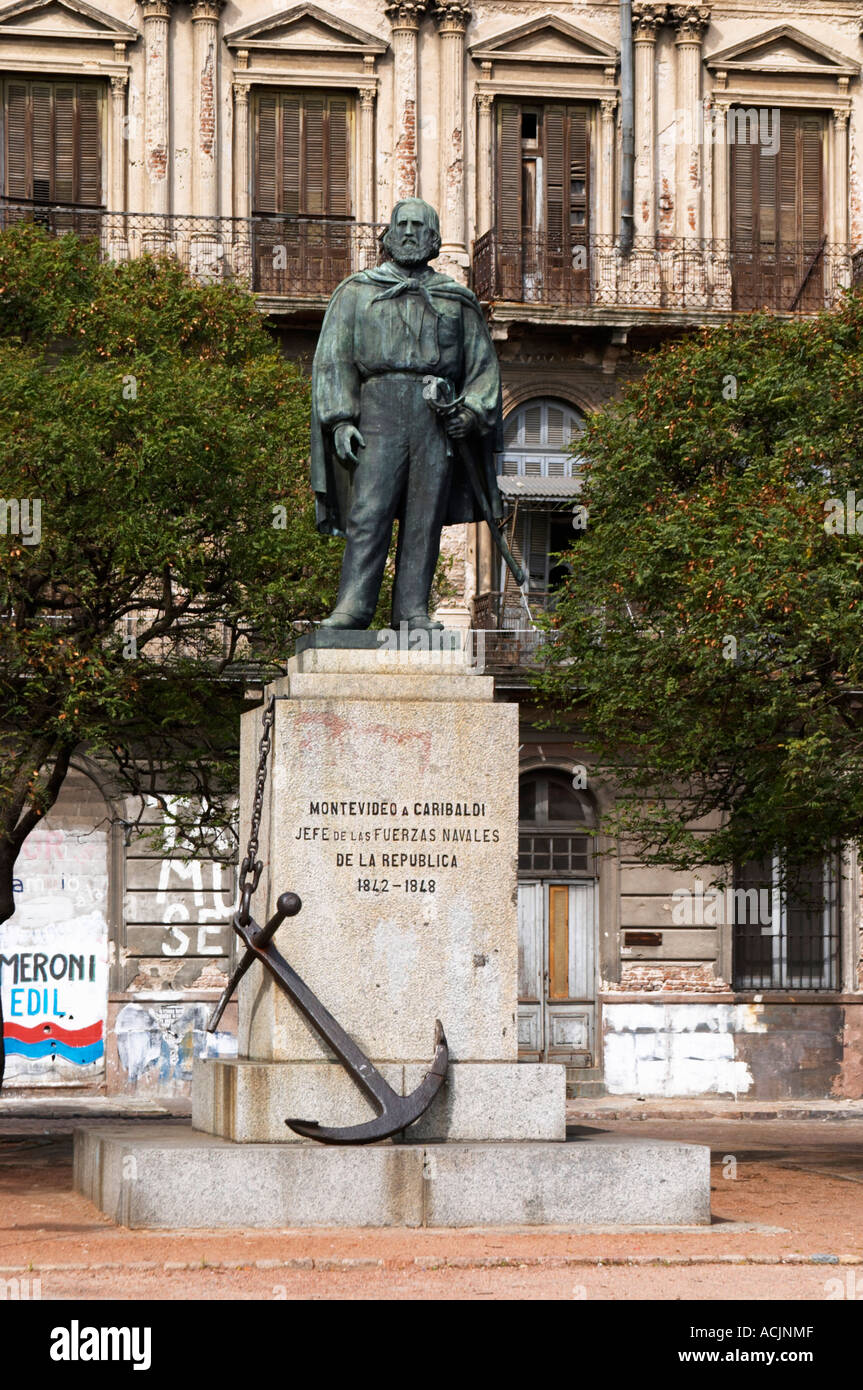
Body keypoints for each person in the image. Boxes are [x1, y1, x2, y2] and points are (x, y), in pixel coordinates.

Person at [310, 198, 504, 631]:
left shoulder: (457, 300)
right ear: (389, 235)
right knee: (369, 511)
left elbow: (483, 370)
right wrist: (341, 419)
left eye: (421, 226)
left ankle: (413, 612)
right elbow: (334, 361)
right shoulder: (356, 293)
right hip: (378, 409)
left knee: (425, 518)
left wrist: (470, 412)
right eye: (404, 225)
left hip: (433, 418)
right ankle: (354, 606)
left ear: (435, 240)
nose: (412, 232)